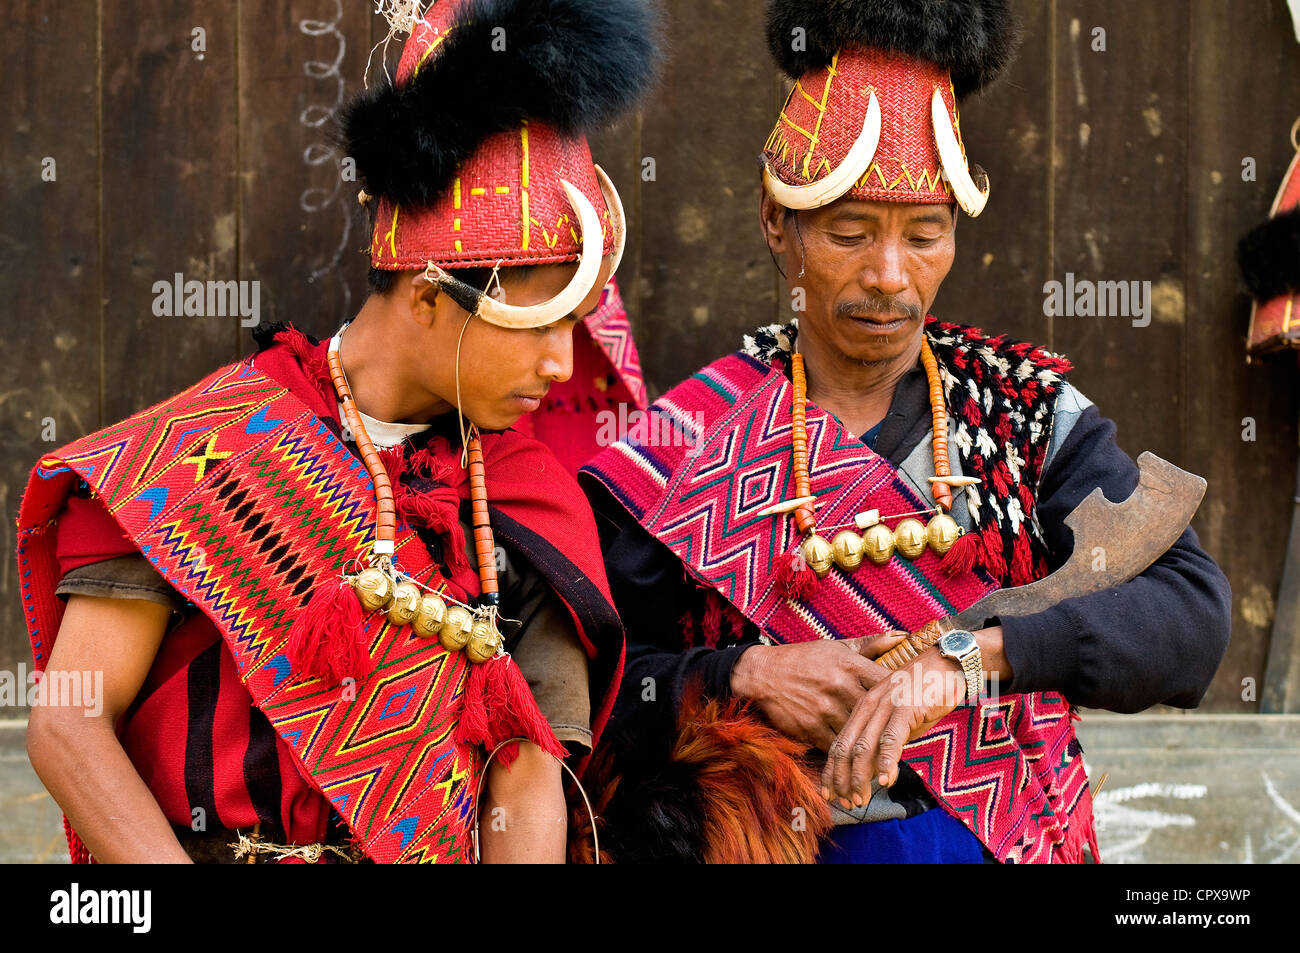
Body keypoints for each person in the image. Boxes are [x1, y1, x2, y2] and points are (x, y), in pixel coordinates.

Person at [579, 0, 1232, 863]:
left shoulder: (1023, 417)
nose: (890, 277)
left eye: (925, 235)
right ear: (780, 224)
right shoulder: (687, 442)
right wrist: (740, 675)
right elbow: (589, 687)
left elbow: (1194, 616)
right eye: (850, 233)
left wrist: (977, 656)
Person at [19, 0, 658, 864]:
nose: (561, 359)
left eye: (576, 320)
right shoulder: (210, 451)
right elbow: (69, 720)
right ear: (430, 297)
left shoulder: (524, 501)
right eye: (537, 323)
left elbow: (525, 776)